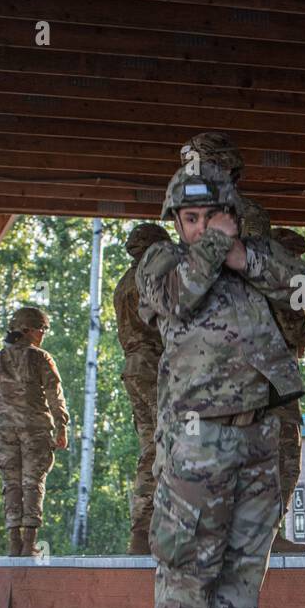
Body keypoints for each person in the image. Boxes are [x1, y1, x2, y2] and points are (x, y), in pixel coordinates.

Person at [137, 161, 305, 608]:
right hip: (197, 437)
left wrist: (242, 256)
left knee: (244, 562)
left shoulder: (249, 257)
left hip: (257, 432)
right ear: (176, 222)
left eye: (212, 216)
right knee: (190, 559)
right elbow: (176, 297)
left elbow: (300, 284)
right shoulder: (161, 261)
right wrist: (217, 247)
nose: (202, 227)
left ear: (233, 215)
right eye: (191, 219)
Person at [0, 307, 69, 557]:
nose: (43, 334)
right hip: (35, 428)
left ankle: (14, 541)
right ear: (28, 330)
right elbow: (55, 395)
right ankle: (29, 543)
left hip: (4, 429)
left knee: (11, 483)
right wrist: (61, 426)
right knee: (33, 482)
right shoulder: (40, 358)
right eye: (41, 329)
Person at [113, 221, 172, 554]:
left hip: (134, 367)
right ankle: (164, 529)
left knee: (149, 448)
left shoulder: (124, 281)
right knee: (169, 445)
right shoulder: (151, 275)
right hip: (156, 364)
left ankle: (141, 530)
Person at [267, 226, 305, 554]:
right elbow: (294, 328)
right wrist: (303, 340)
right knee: (285, 454)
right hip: (277, 377)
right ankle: (271, 534)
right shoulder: (283, 278)